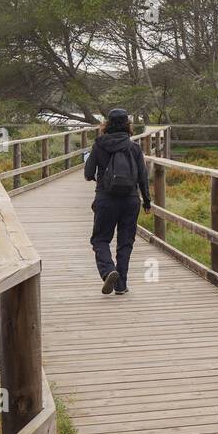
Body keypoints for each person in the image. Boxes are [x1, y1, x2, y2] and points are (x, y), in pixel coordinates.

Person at [83, 109, 151, 295]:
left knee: (100, 239)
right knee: (125, 242)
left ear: (107, 124)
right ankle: (121, 285)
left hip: (106, 199)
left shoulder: (99, 145)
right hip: (130, 200)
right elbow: (143, 178)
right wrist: (146, 201)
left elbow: (88, 174)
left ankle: (108, 271)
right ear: (127, 125)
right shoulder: (134, 147)